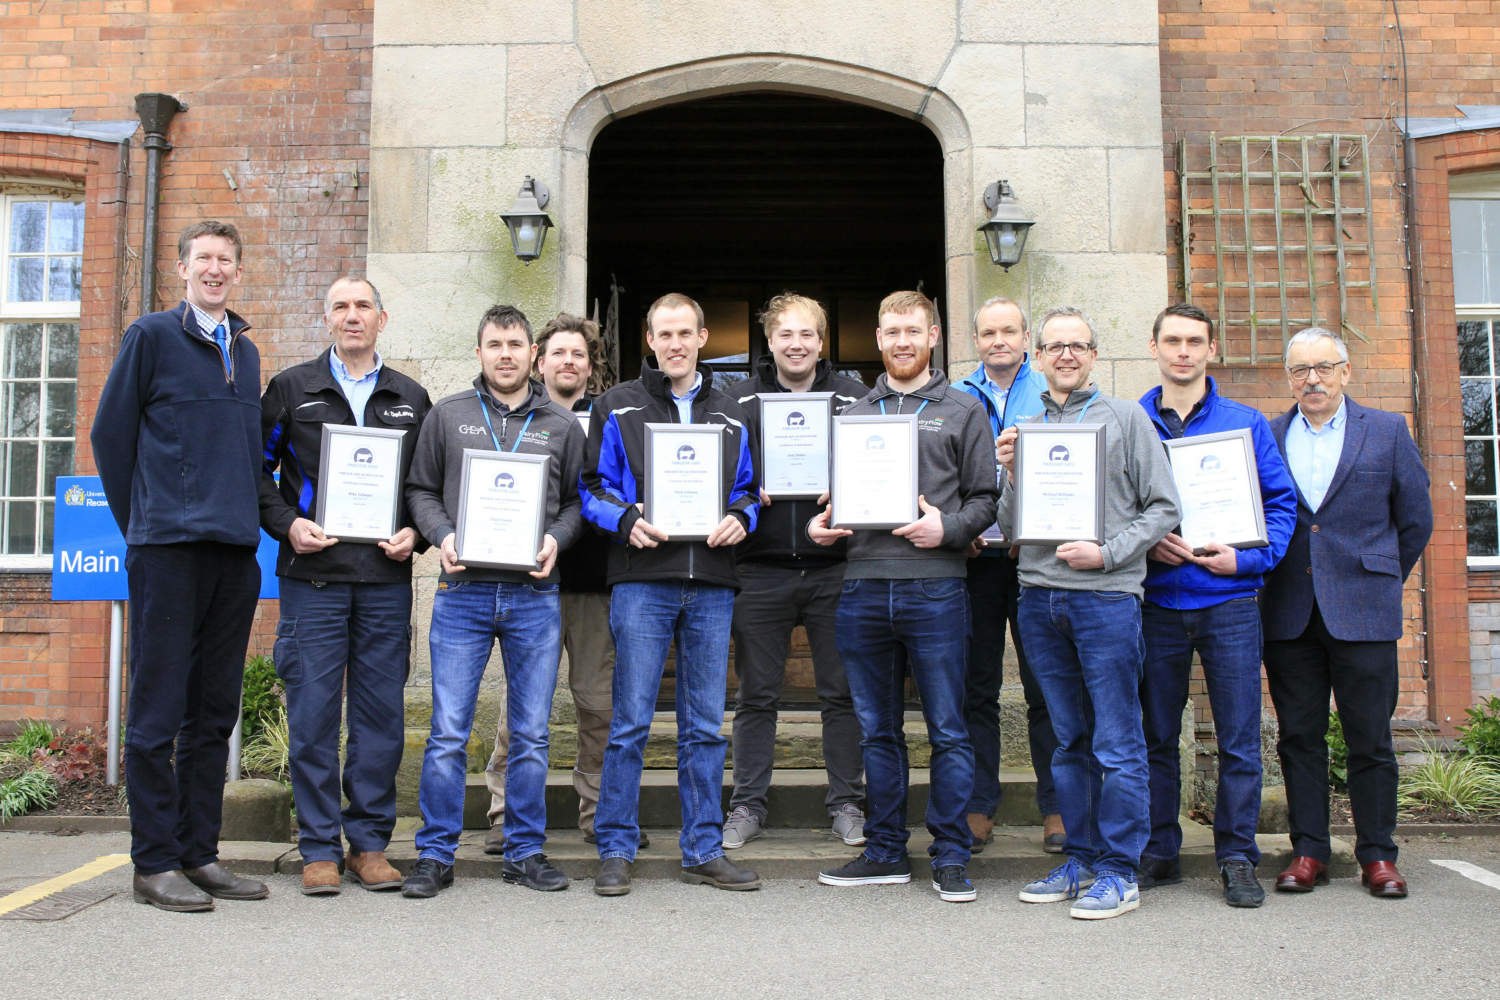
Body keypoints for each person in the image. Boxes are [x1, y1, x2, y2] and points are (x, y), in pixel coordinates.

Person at [92, 220, 270, 911]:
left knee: (213, 711)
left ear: (238, 270)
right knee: (158, 709)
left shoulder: (247, 355)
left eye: (226, 259)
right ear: (183, 268)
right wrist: (143, 521)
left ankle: (199, 853)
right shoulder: (151, 337)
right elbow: (111, 435)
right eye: (204, 259)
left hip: (234, 551)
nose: (215, 269)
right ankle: (153, 861)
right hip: (166, 550)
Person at [810, 290, 999, 904]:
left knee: (948, 727)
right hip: (863, 585)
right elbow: (835, 502)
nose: (900, 342)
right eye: (890, 332)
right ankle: (886, 849)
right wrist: (824, 526)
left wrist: (949, 528)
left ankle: (950, 854)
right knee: (876, 731)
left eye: (912, 331)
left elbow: (985, 500)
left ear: (934, 335)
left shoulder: (965, 410)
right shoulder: (855, 414)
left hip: (937, 588)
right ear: (879, 338)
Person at [999, 306, 1180, 920]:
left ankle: (1120, 870)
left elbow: (1163, 508)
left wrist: (1107, 553)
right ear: (1038, 357)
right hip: (1038, 597)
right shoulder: (1024, 427)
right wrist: (1009, 473)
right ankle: (1079, 857)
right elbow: (1006, 528)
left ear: (1094, 355)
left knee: (1118, 739)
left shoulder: (1127, 419)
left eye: (1078, 345)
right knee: (1067, 738)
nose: (1066, 356)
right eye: (1055, 347)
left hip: (1105, 600)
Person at [401, 304, 587, 896]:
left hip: (534, 594)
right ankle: (434, 855)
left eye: (515, 344)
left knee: (532, 734)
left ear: (532, 354)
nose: (505, 354)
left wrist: (556, 540)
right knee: (449, 731)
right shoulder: (449, 415)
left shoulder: (559, 424)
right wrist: (443, 535)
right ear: (478, 352)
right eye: (494, 344)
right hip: (463, 592)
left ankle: (525, 852)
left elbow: (577, 503)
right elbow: (420, 490)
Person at [581, 293, 761, 896]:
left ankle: (703, 848)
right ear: (650, 340)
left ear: (704, 338)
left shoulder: (735, 409)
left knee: (705, 726)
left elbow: (750, 490)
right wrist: (624, 519)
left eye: (686, 332)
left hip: (711, 582)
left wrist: (742, 517)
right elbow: (592, 489)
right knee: (629, 722)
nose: (676, 343)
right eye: (665, 334)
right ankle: (615, 847)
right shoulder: (617, 404)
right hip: (641, 582)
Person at [259, 275, 432, 896]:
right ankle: (316, 849)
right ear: (327, 319)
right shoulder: (291, 388)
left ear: (382, 318)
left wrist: (417, 532)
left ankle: (369, 844)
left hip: (385, 580)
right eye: (341, 306)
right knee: (310, 715)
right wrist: (287, 523)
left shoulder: (411, 397)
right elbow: (256, 469)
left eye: (363, 306)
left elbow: (426, 485)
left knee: (379, 718)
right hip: (314, 580)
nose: (352, 315)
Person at [1136, 303, 1297, 908]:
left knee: (1237, 736)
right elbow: (1117, 509)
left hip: (1229, 600)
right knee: (1155, 735)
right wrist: (1146, 547)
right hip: (1155, 602)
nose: (1183, 351)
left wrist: (1247, 561)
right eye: (1172, 340)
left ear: (1211, 350)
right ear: (1154, 347)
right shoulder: (1132, 423)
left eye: (1194, 341)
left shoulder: (1244, 423)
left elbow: (1281, 507)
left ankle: (1235, 857)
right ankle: (1160, 850)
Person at [1262, 327, 1432, 899]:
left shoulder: (1385, 431)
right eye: (1300, 370)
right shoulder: (1269, 433)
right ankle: (1308, 850)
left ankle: (1378, 855)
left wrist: (1378, 576)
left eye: (1324, 367)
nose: (1312, 379)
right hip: (1290, 613)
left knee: (1370, 739)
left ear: (1346, 371)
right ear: (1288, 378)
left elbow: (1416, 520)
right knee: (1300, 738)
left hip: (1364, 609)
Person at [482, 313, 647, 852]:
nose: (568, 362)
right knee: (521, 708)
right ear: (539, 359)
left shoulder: (613, 419)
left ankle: (599, 815)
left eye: (579, 354)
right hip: (532, 581)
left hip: (596, 583)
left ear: (590, 364)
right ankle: (504, 814)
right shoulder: (518, 418)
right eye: (558, 353)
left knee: (599, 707)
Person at [721, 293, 868, 850]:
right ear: (770, 341)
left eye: (807, 334)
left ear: (821, 341)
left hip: (836, 568)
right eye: (786, 335)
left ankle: (847, 803)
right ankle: (747, 805)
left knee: (840, 693)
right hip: (760, 569)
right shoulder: (737, 402)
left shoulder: (854, 398)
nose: (797, 345)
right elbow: (719, 479)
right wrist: (743, 490)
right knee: (756, 696)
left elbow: (878, 468)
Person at [954, 295, 1064, 854]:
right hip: (975, 562)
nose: (998, 341)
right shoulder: (956, 395)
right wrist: (959, 528)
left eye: (1009, 332)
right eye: (987, 333)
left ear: (1027, 340)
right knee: (977, 688)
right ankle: (978, 804)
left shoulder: (1052, 392)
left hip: (1036, 560)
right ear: (975, 341)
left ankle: (1057, 807)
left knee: (1047, 686)